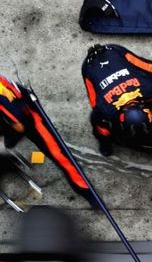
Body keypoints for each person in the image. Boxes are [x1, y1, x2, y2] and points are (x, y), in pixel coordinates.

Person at [82, 43, 152, 156]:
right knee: (94, 102)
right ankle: (104, 144)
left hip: (114, 53)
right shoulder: (105, 111)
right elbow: (99, 127)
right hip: (90, 66)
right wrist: (104, 143)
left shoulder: (150, 88)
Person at [0, 74, 96, 203]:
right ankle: (10, 134)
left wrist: (13, 127)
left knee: (60, 155)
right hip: (12, 119)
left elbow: (19, 126)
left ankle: (86, 191)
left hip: (28, 116)